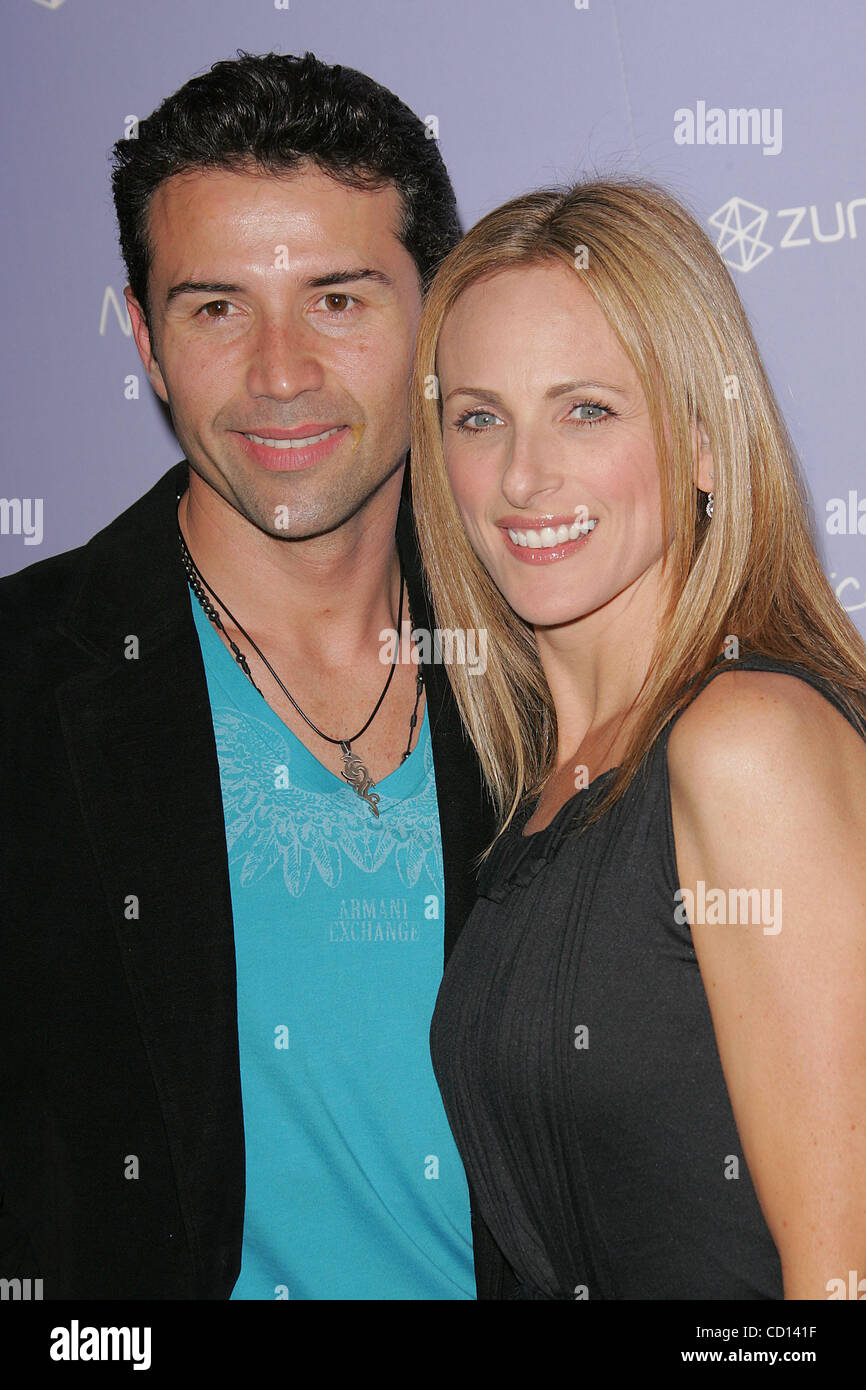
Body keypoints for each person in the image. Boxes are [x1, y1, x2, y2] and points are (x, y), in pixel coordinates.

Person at [0, 50, 510, 1300]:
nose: (278, 374)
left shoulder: (560, 668)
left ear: (432, 317)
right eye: (215, 307)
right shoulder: (22, 685)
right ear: (146, 339)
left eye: (337, 299)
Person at [409, 179, 866, 1300]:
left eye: (586, 410)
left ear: (705, 446)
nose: (522, 476)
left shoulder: (742, 743)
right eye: (479, 419)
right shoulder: (543, 791)